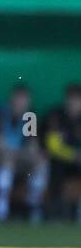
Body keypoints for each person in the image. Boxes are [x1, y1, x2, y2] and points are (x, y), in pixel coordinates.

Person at [0, 84, 48, 222]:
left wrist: (29, 155)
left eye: (25, 99)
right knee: (5, 162)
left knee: (40, 161)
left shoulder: (29, 117)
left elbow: (32, 145)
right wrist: (20, 154)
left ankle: (33, 206)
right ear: (11, 99)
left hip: (17, 158)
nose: (21, 102)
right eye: (18, 98)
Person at [44, 84, 81, 220]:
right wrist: (74, 155)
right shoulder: (56, 116)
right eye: (71, 98)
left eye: (77, 99)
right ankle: (55, 210)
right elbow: (53, 147)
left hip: (77, 162)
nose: (74, 102)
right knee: (56, 167)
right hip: (59, 160)